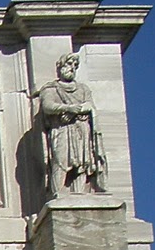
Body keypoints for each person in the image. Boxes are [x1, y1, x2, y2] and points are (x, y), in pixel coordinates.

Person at [37, 53, 106, 196]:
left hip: (81, 128)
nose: (72, 68)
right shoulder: (51, 88)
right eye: (69, 64)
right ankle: (57, 193)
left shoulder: (83, 89)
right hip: (61, 129)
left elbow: (90, 105)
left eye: (75, 66)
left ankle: (80, 194)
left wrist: (75, 111)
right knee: (60, 161)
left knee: (82, 163)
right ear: (60, 67)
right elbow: (48, 106)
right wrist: (68, 108)